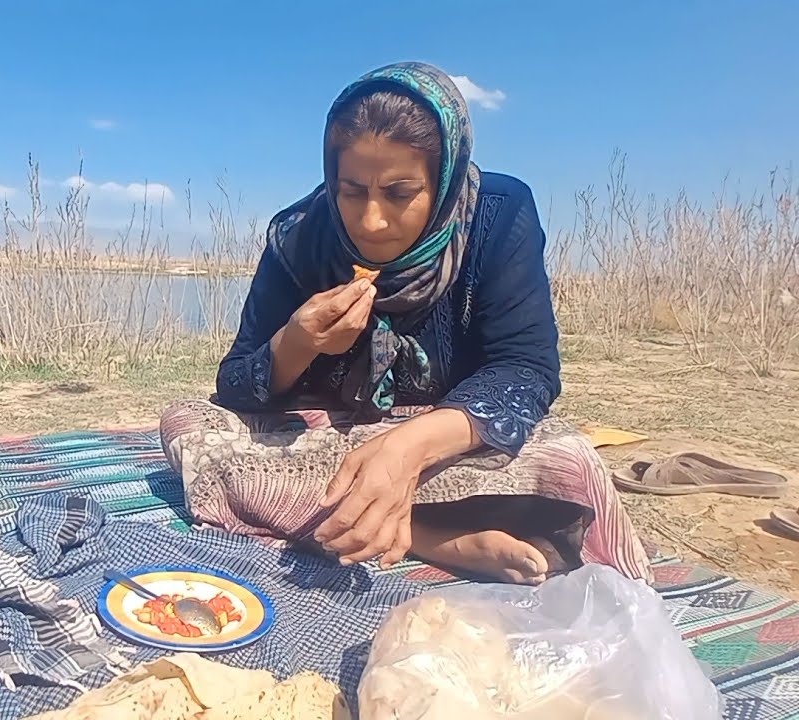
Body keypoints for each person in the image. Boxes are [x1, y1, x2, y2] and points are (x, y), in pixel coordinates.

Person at [160, 61, 651, 585]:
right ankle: (425, 532)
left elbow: (526, 368)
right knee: (188, 426)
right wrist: (297, 342)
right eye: (350, 191)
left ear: (443, 179)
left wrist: (406, 448)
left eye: (399, 193)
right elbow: (235, 382)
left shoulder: (500, 215)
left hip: (446, 433)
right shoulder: (300, 234)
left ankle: (356, 517)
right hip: (324, 443)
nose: (371, 220)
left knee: (567, 459)